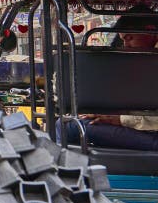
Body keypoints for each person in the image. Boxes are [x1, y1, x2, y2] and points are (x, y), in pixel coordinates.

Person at [59, 9, 158, 150]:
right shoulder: (146, 59)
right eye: (123, 39)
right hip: (146, 130)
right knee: (72, 122)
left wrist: (119, 119)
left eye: (129, 38)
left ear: (150, 31)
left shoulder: (151, 60)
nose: (126, 45)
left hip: (153, 136)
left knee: (69, 126)